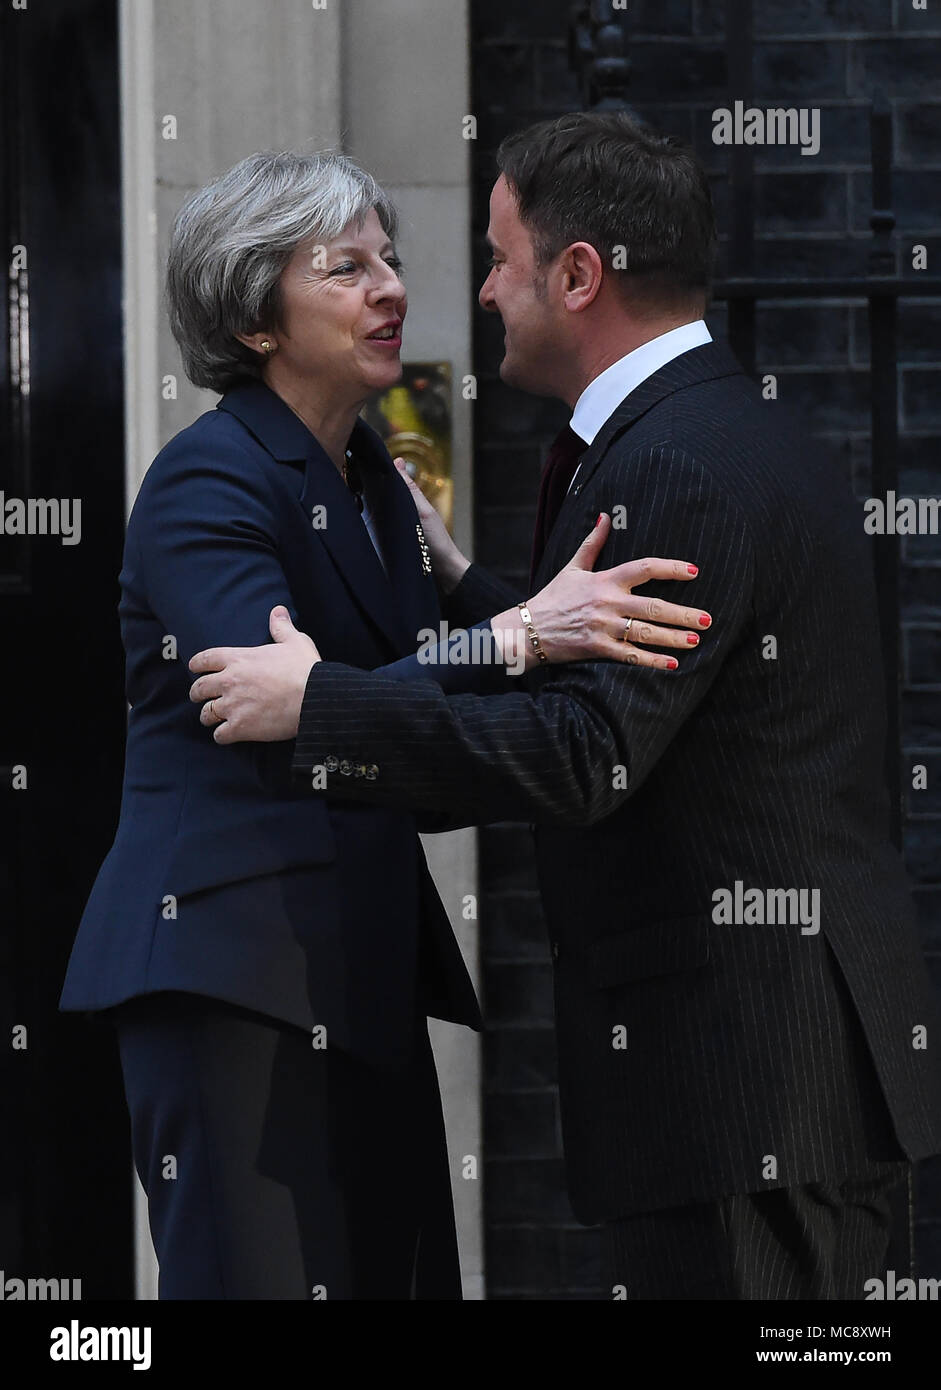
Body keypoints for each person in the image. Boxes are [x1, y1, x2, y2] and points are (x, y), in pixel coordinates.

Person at [189, 114, 941, 1301]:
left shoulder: (671, 464)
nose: (478, 292)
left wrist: (319, 706)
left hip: (746, 1083)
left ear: (578, 275)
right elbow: (624, 681)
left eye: (497, 260)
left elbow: (590, 750)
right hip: (763, 1082)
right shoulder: (705, 430)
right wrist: (479, 594)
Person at [58, 147, 708, 1300]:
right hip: (228, 972)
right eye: (346, 268)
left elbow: (426, 730)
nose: (393, 287)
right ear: (257, 316)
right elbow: (286, 718)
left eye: (391, 259)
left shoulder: (374, 477)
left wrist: (465, 589)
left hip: (350, 973)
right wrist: (507, 636)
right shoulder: (207, 482)